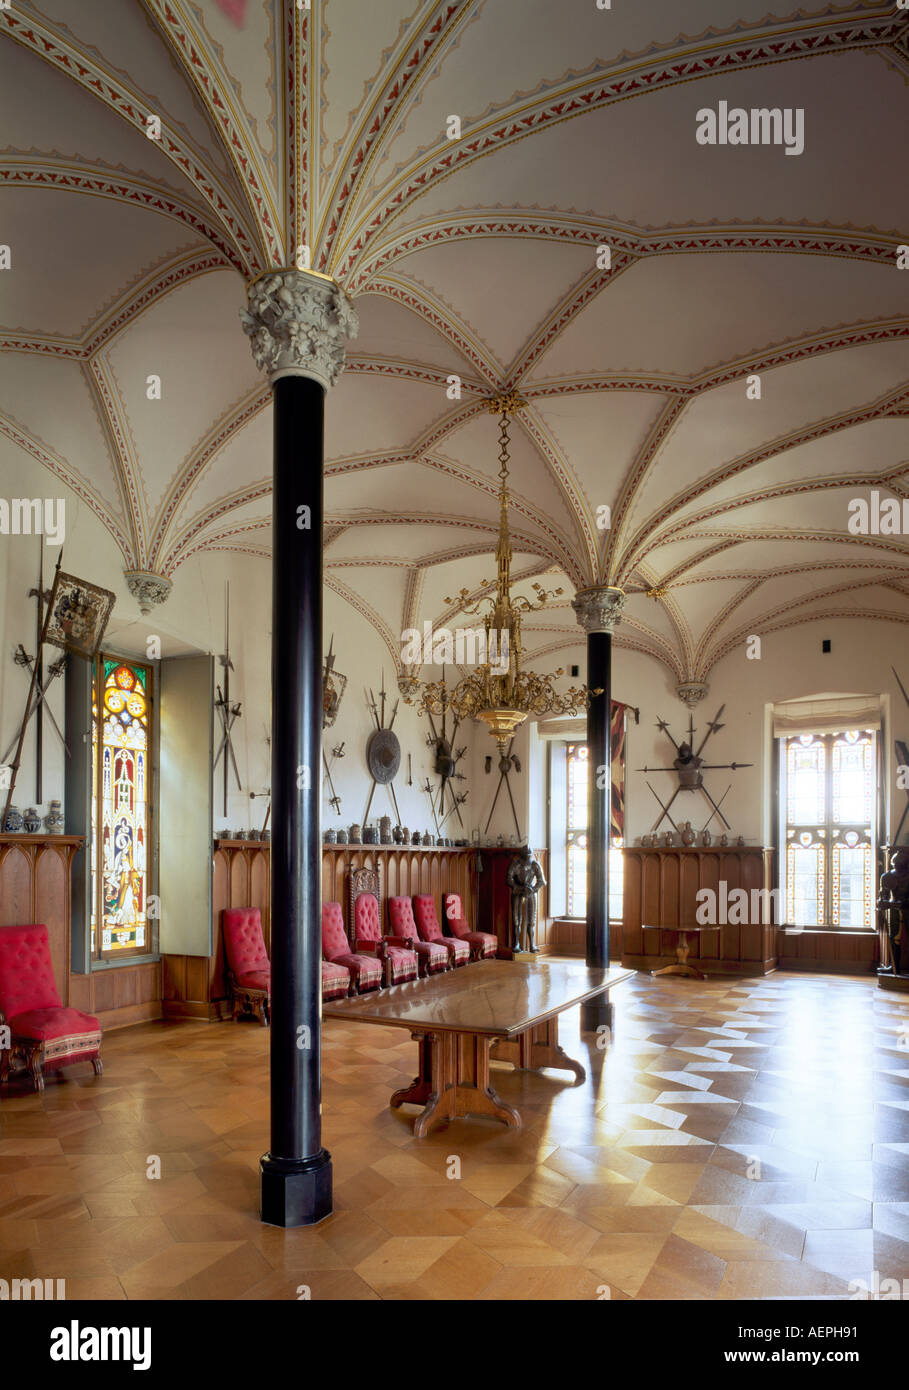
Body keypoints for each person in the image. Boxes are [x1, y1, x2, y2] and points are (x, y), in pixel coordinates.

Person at [507, 844, 546, 952]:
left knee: (532, 921)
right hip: (517, 892)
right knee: (516, 921)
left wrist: (532, 889)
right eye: (525, 855)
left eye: (529, 855)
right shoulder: (516, 865)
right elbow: (509, 879)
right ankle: (516, 944)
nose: (527, 857)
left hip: (531, 893)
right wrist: (518, 888)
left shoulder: (535, 865)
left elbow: (542, 881)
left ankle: (532, 944)